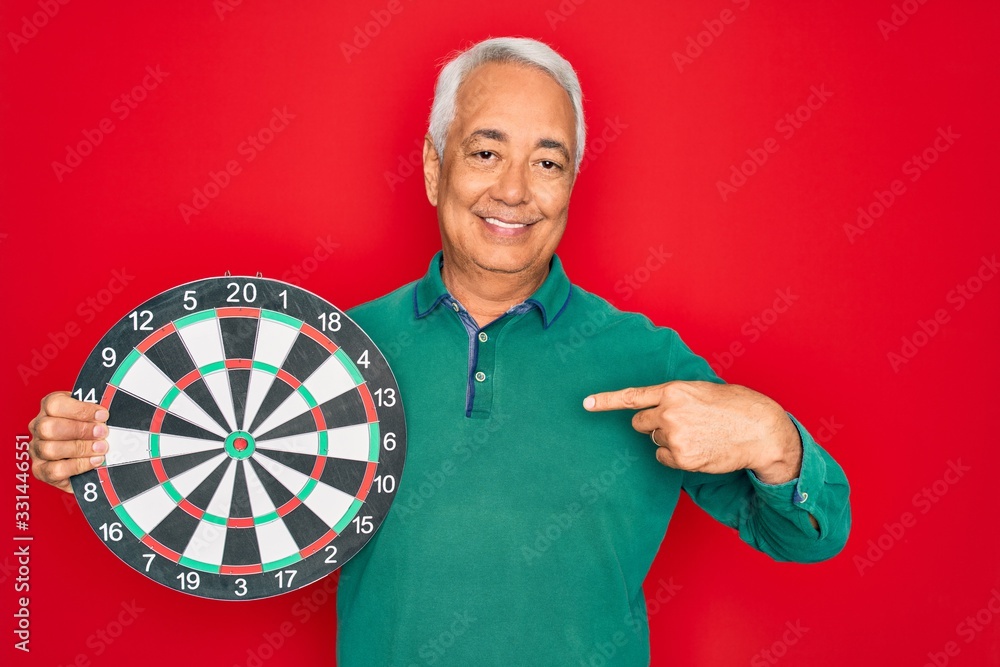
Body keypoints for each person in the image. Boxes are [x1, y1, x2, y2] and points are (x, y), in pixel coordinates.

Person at [28, 37, 850, 665]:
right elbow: (204, 462)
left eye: (548, 162)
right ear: (433, 167)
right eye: (486, 151)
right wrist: (90, 454)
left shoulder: (646, 361)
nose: (515, 190)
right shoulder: (320, 355)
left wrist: (778, 440)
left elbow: (811, 535)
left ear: (571, 186)